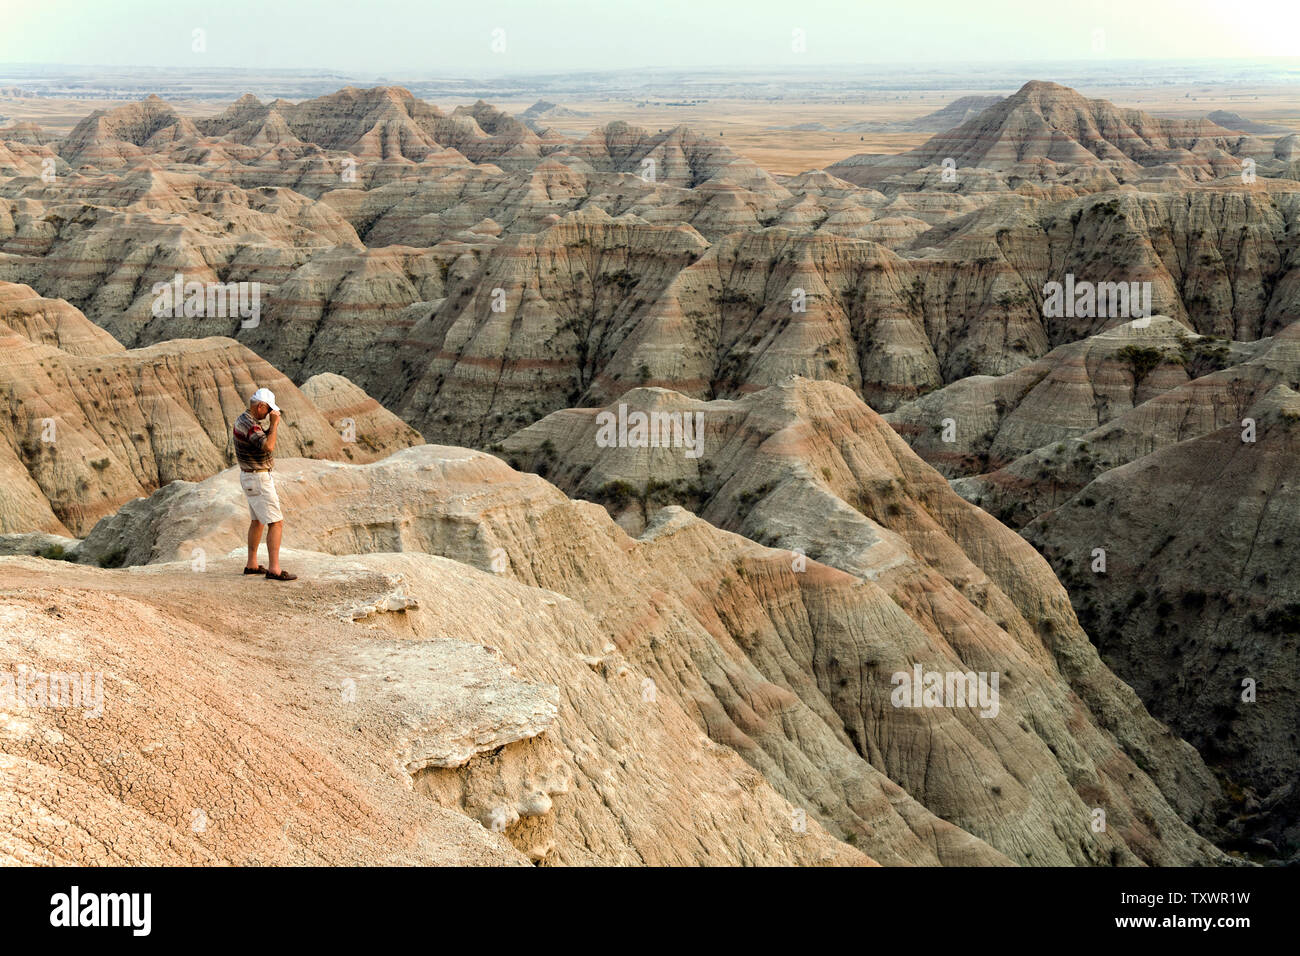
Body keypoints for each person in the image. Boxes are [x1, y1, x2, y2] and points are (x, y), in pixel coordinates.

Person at [233, 387, 296, 581]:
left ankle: (252, 564)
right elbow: (268, 445)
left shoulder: (243, 420)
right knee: (276, 522)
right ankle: (274, 570)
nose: (269, 414)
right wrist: (275, 424)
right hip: (259, 478)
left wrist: (269, 426)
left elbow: (260, 441)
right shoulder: (251, 424)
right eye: (268, 410)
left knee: (257, 520)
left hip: (249, 477)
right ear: (260, 406)